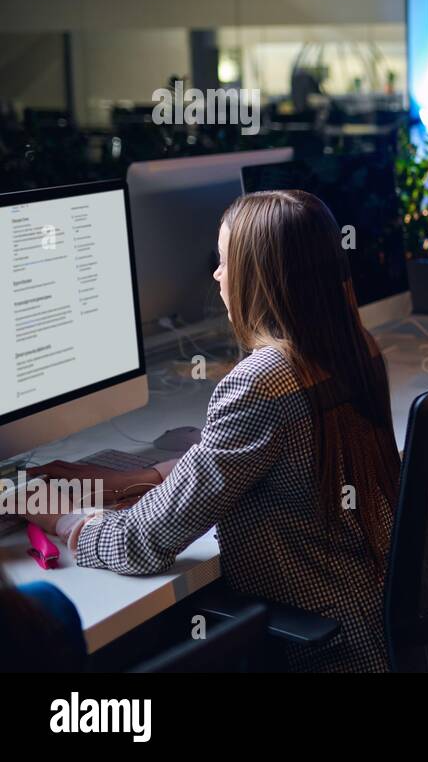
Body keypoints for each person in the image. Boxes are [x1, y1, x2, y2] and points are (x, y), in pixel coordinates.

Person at [23, 190, 401, 672]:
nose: (218, 276)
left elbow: (142, 543)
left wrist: (61, 518)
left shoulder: (262, 382)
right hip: (372, 624)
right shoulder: (356, 349)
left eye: (225, 262)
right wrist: (136, 479)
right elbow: (256, 461)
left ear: (258, 278)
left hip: (323, 652)